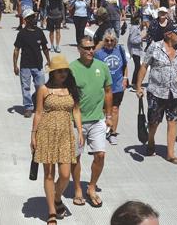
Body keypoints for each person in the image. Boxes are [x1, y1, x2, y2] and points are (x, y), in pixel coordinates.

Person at [30, 55, 83, 225]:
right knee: (49, 173)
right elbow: (38, 113)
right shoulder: (44, 89)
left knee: (66, 175)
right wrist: (33, 134)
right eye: (59, 71)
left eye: (65, 71)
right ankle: (52, 210)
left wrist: (80, 131)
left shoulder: (71, 89)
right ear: (52, 73)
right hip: (46, 132)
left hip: (66, 134)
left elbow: (76, 111)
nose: (63, 74)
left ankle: (57, 196)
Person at [70, 36, 112, 208]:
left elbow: (108, 91)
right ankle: (78, 188)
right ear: (79, 49)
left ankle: (91, 187)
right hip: (76, 122)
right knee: (75, 157)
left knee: (100, 155)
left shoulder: (102, 67)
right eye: (86, 48)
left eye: (92, 47)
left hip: (97, 120)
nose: (90, 51)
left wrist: (109, 116)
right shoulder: (71, 69)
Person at [136, 22, 177, 165]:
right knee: (154, 122)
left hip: (175, 92)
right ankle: (151, 141)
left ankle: (170, 154)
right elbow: (144, 66)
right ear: (169, 34)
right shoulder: (155, 47)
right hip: (156, 91)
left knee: (173, 121)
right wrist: (139, 86)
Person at [14, 9, 51, 118]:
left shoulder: (39, 32)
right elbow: (16, 49)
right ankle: (28, 107)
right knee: (26, 87)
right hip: (25, 65)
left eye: (33, 17)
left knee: (41, 87)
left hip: (38, 64)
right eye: (30, 17)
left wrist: (49, 60)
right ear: (25, 20)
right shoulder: (22, 33)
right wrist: (15, 65)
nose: (33, 19)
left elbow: (44, 48)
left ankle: (39, 105)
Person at [94, 30, 128, 145]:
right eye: (107, 40)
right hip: (104, 87)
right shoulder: (99, 53)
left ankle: (113, 133)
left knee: (115, 109)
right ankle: (102, 130)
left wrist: (125, 78)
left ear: (115, 41)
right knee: (103, 110)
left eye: (112, 40)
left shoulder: (120, 50)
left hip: (117, 86)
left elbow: (125, 65)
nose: (109, 43)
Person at [127, 14, 146, 92]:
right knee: (138, 66)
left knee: (138, 66)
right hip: (135, 50)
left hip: (137, 50)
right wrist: (142, 37)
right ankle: (134, 84)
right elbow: (132, 40)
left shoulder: (136, 27)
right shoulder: (134, 28)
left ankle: (136, 83)